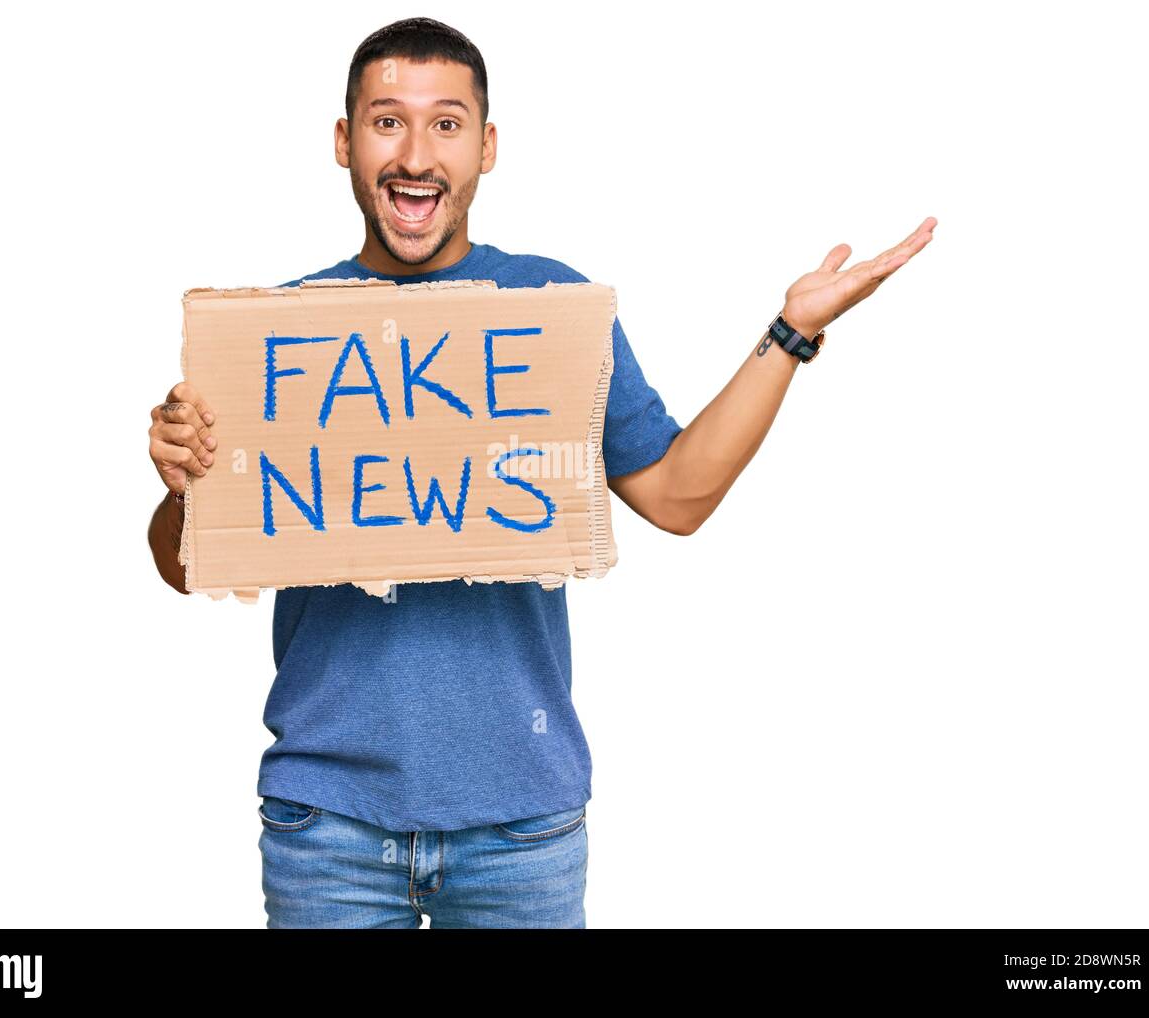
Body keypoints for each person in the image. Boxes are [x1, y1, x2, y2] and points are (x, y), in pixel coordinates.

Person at [146, 17, 935, 929]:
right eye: (385, 120)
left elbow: (678, 495)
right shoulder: (279, 332)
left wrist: (790, 333)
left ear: (486, 147)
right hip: (327, 824)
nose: (415, 152)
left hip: (522, 827)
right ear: (343, 142)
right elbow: (184, 563)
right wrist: (182, 487)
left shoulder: (547, 314)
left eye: (446, 123)